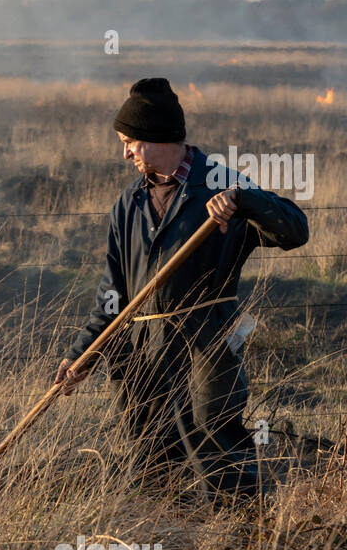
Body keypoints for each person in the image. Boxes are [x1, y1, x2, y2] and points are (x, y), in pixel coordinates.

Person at [54, 78, 309, 498]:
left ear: (156, 136)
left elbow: (295, 231)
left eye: (130, 141)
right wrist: (84, 352)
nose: (125, 153)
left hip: (207, 338)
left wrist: (243, 201)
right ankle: (168, 540)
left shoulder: (221, 183)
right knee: (150, 448)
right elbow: (113, 292)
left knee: (215, 441)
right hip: (140, 346)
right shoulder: (128, 202)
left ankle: (242, 538)